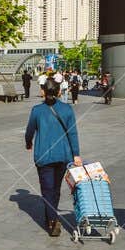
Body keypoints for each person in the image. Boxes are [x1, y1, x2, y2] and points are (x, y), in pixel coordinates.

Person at [24, 79, 84, 237]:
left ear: (43, 91)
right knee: (55, 189)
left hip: (43, 157)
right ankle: (51, 217)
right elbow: (72, 133)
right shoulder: (67, 109)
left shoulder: (36, 110)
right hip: (62, 156)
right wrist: (76, 154)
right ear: (59, 92)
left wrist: (28, 143)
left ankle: (52, 220)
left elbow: (30, 130)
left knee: (47, 189)